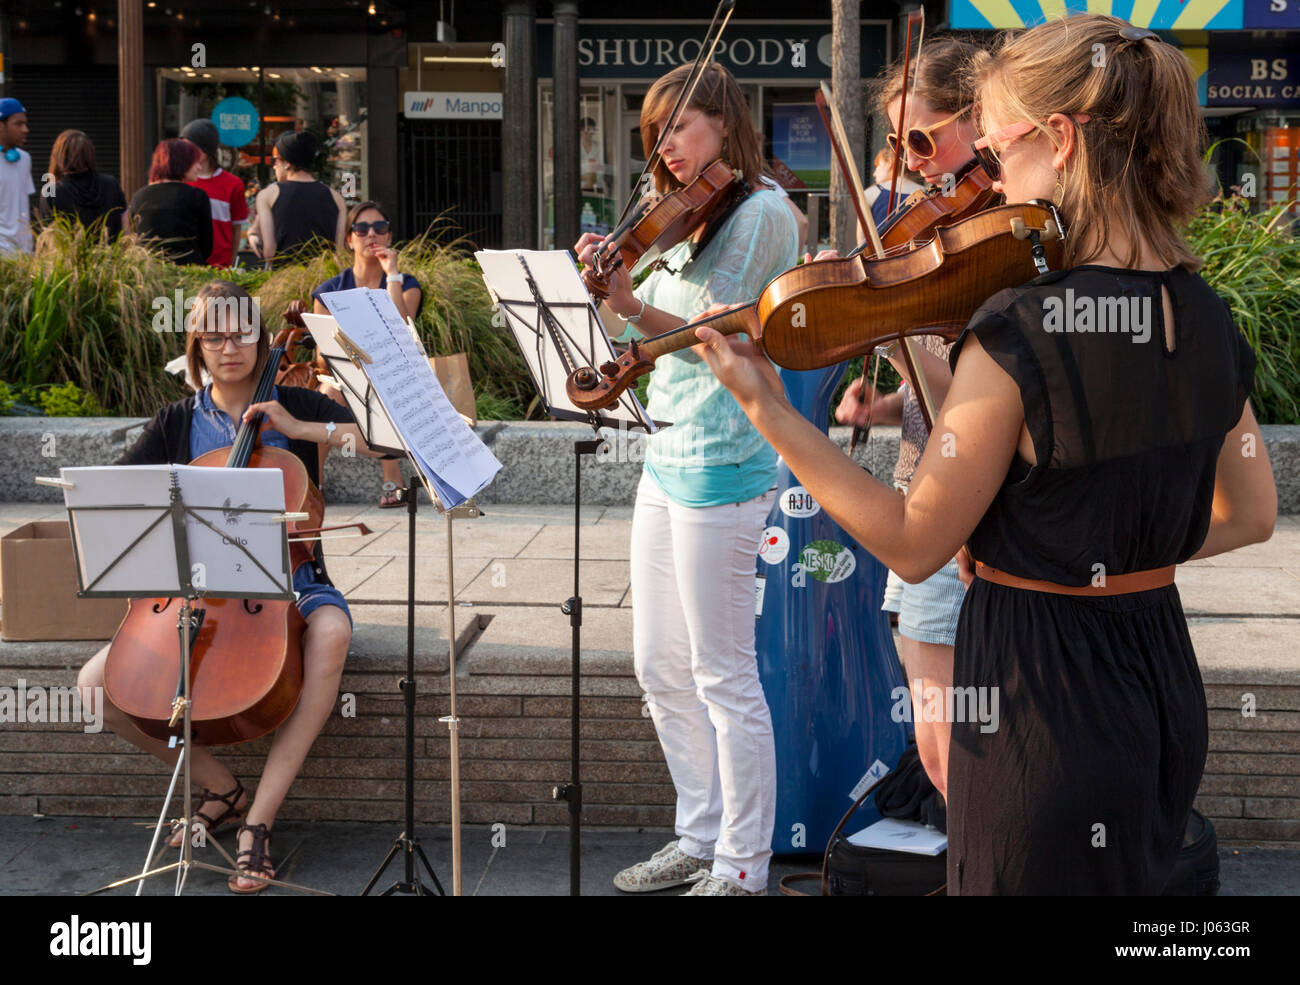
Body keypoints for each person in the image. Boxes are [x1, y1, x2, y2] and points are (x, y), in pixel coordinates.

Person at [693, 14, 1276, 895]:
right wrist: (1105, 556)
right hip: (1160, 685)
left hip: (1041, 703)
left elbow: (914, 538)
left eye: (1000, 154)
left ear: (1062, 141)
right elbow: (1250, 512)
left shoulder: (1021, 330)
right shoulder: (1205, 314)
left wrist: (770, 409)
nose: (993, 181)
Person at [77, 281, 383, 893]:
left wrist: (303, 426)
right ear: (196, 347)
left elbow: (383, 442)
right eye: (212, 335)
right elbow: (113, 495)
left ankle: (258, 824)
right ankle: (222, 786)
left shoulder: (298, 405)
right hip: (192, 595)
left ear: (261, 337)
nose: (229, 345)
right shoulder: (175, 422)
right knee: (93, 690)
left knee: (332, 631)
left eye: (241, 331)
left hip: (290, 584)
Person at [574, 62, 798, 898]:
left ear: (725, 126)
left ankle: (743, 863)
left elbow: (715, 334)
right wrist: (602, 286)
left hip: (727, 460)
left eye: (681, 128)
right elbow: (631, 336)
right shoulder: (680, 220)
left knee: (723, 672)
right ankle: (699, 834)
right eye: (657, 133)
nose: (666, 146)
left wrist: (631, 304)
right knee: (658, 665)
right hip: (665, 452)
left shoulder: (763, 212)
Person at [834, 37, 985, 802]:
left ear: (979, 119)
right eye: (898, 144)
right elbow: (937, 392)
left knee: (948, 750)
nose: (912, 162)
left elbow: (981, 398)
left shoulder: (997, 240)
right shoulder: (938, 235)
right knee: (944, 746)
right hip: (924, 486)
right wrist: (887, 402)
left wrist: (899, 338)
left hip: (954, 510)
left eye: (921, 138)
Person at [311, 200, 423, 506]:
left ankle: (393, 480)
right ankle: (314, 484)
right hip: (343, 375)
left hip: (392, 374)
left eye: (380, 228)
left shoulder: (406, 285)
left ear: (389, 236)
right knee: (325, 393)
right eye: (361, 228)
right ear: (349, 238)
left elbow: (401, 331)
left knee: (378, 382)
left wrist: (393, 274)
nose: (370, 234)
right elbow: (322, 357)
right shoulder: (328, 291)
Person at [249, 129, 345, 266]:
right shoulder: (336, 197)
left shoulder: (268, 195)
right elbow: (340, 251)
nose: (274, 166)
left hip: (284, 278)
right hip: (324, 278)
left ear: (287, 163)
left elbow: (269, 252)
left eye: (275, 160)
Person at [126, 138, 213, 265]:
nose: (199, 168)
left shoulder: (139, 196)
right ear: (182, 163)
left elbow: (134, 240)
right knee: (180, 287)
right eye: (195, 162)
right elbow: (206, 247)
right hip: (188, 274)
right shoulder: (197, 196)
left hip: (149, 275)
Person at [37, 129, 128, 240]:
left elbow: (49, 239)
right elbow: (126, 230)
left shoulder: (51, 192)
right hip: (113, 256)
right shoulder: (111, 183)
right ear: (90, 153)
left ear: (58, 156)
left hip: (70, 257)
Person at [182, 118, 248, 267]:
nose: (183, 152)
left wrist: (229, 265)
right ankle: (177, 293)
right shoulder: (181, 180)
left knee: (214, 291)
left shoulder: (233, 184)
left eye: (188, 147)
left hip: (218, 269)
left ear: (204, 151)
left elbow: (236, 229)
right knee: (178, 291)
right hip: (184, 269)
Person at [0, 97, 34, 255]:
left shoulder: (25, 159)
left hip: (24, 254)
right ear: (1, 126)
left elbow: (23, 204)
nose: (25, 130)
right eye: (18, 124)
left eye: (25, 124)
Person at [862, 146, 922, 214]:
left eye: (877, 166)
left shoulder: (871, 193)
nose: (874, 174)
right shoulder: (925, 193)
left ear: (889, 163)